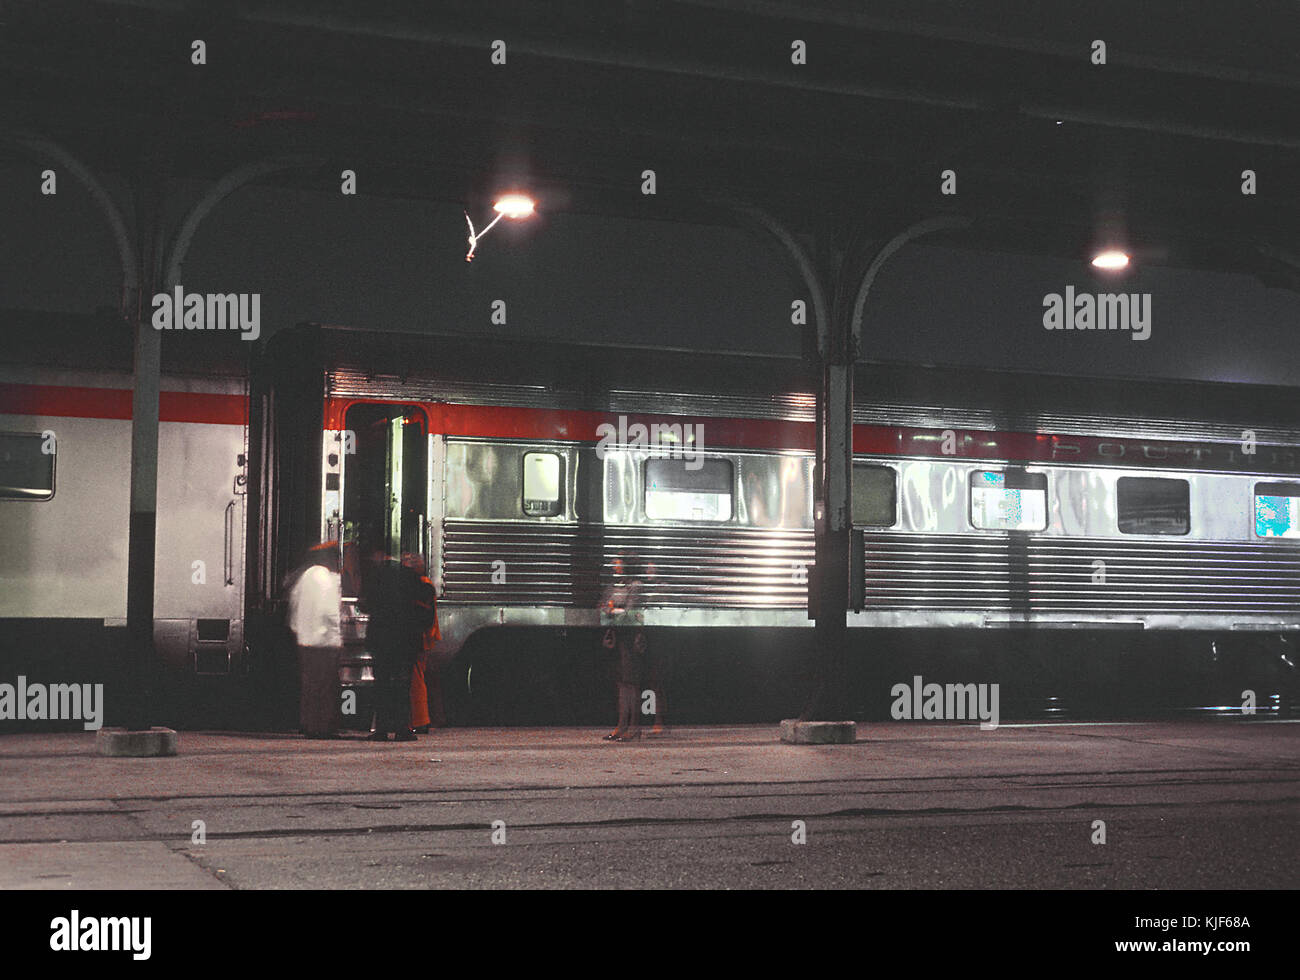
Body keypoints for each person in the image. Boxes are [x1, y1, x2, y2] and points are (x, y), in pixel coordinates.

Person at [364, 551, 436, 742]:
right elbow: (426, 615)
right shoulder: (417, 581)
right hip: (405, 643)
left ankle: (380, 729)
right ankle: (402, 728)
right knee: (402, 686)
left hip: (380, 642)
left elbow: (365, 604)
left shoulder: (378, 577)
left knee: (381, 685)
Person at [285, 542, 343, 739]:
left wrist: (298, 630)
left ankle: (308, 723)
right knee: (326, 687)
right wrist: (337, 635)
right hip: (325, 642)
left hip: (306, 641)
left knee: (309, 686)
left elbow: (293, 604)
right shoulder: (325, 578)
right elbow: (330, 612)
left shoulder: (305, 576)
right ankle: (324, 726)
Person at [601, 555, 645, 741]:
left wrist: (613, 611)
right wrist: (611, 611)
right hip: (616, 638)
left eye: (618, 562)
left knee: (631, 682)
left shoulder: (634, 586)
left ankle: (634, 726)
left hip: (629, 638)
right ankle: (621, 724)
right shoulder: (614, 586)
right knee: (621, 683)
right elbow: (602, 606)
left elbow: (631, 612)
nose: (614, 565)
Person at [408, 556, 442, 733]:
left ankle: (420, 720)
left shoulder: (423, 586)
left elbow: (423, 615)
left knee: (416, 680)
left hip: (421, 639)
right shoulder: (426, 584)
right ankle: (423, 719)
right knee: (420, 678)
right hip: (425, 638)